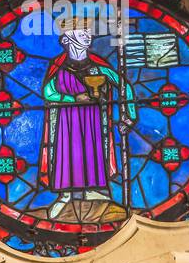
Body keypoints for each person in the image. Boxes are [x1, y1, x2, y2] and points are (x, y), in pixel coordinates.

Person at [40, 20, 136, 221]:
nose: (86, 36)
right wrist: (72, 99)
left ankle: (93, 191)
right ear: (66, 39)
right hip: (67, 120)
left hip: (94, 119)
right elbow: (49, 92)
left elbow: (123, 85)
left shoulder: (99, 66)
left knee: (94, 149)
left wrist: (129, 115)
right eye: (80, 32)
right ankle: (65, 194)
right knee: (65, 152)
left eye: (87, 32)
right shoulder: (57, 66)